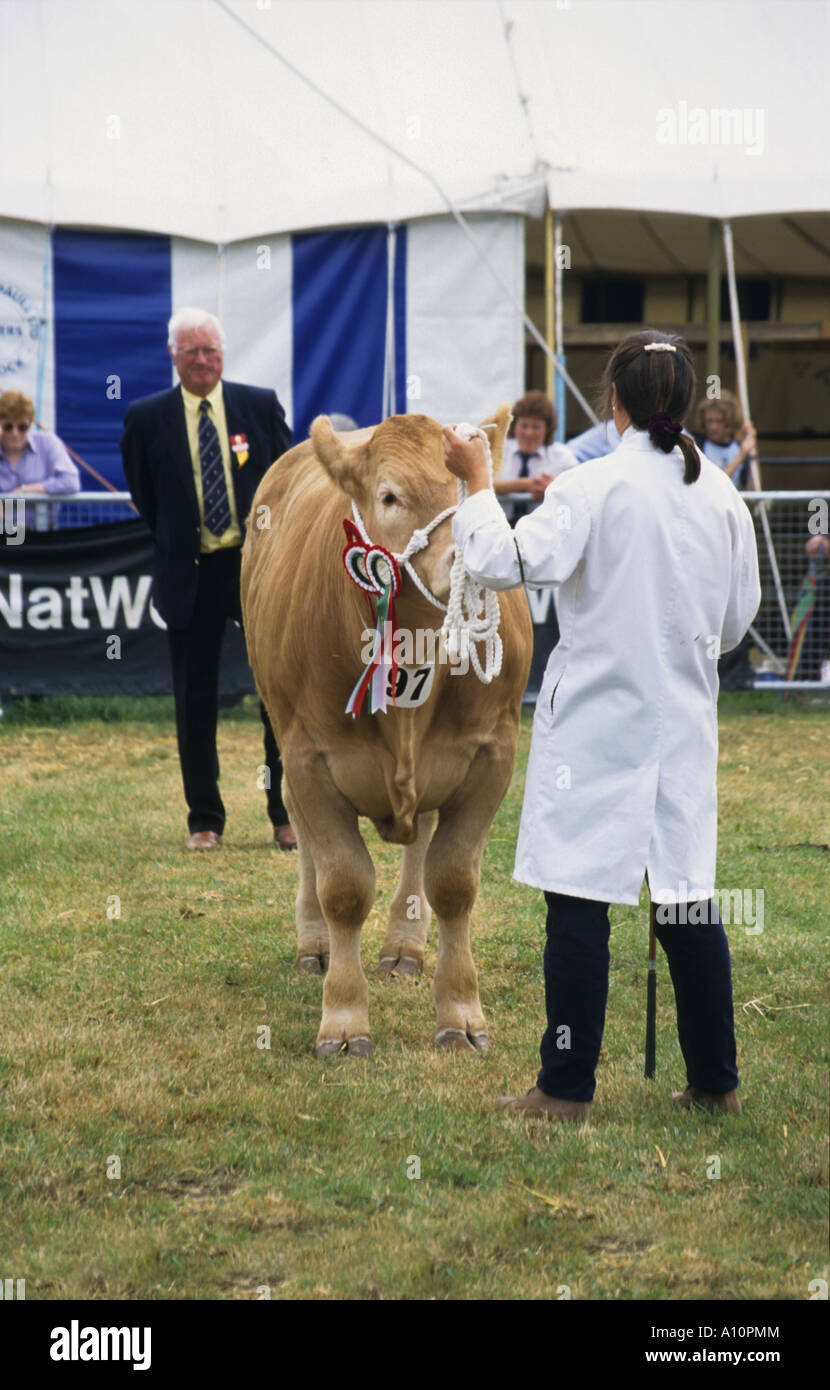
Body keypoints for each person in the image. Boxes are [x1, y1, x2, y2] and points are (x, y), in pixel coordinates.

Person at [442, 329, 761, 1123]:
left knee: (578, 903)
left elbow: (498, 561)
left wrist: (477, 480)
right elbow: (734, 623)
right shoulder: (721, 493)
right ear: (683, 402)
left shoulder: (590, 488)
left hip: (594, 727)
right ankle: (715, 1081)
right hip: (682, 720)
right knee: (686, 901)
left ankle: (565, 1088)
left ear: (613, 402)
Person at [121, 308, 296, 851]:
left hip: (257, 570)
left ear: (224, 354)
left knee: (280, 693)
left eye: (211, 350)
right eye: (191, 350)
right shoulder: (146, 418)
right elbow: (145, 497)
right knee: (195, 700)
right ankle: (205, 821)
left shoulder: (258, 405)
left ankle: (286, 814)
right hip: (190, 573)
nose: (202, 360)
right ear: (173, 355)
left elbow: (289, 478)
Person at [0, 391, 80, 528]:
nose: (15, 433)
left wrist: (24, 491)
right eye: (8, 427)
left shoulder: (47, 442)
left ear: (30, 425)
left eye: (22, 427)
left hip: (41, 534)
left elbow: (71, 481)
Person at [493, 391, 578, 521]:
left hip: (544, 531)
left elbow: (577, 491)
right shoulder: (498, 450)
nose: (529, 433)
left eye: (536, 427)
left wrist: (554, 487)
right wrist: (524, 485)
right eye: (524, 425)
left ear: (547, 429)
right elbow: (482, 484)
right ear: (514, 426)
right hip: (500, 528)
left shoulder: (563, 457)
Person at [693, 390, 757, 490]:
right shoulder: (697, 447)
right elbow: (714, 486)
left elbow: (753, 490)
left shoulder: (739, 448)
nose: (714, 427)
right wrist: (740, 457)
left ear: (729, 421)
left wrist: (752, 453)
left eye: (719, 421)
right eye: (709, 421)